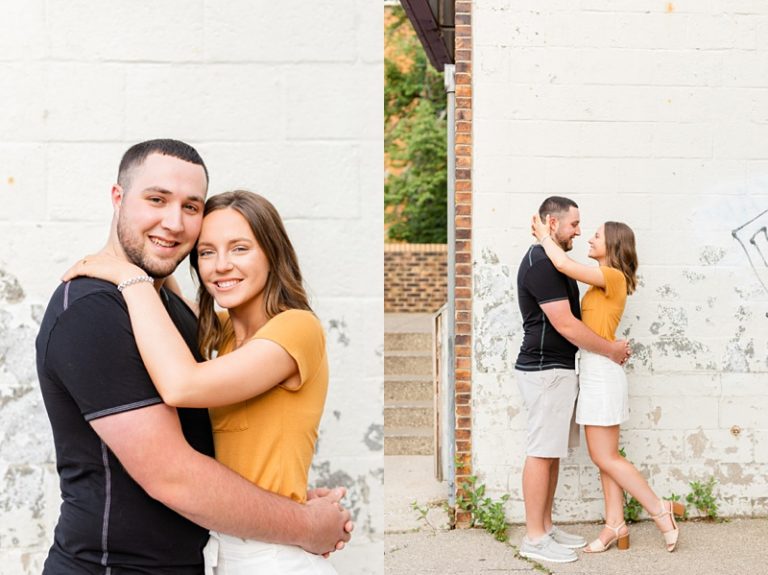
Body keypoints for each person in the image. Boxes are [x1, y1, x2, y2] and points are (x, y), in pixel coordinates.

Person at [36, 139, 350, 574]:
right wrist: (302, 522)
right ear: (118, 197)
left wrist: (287, 501)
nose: (173, 222)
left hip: (241, 557)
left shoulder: (193, 317)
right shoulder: (97, 308)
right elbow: (174, 469)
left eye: (190, 207)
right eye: (157, 199)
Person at [532, 209, 684, 554]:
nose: (588, 238)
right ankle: (614, 524)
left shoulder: (611, 275)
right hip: (595, 369)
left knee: (606, 457)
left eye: (597, 236)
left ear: (612, 245)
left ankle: (661, 511)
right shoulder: (607, 278)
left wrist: (544, 235)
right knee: (606, 456)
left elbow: (564, 267)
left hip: (601, 372)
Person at [514, 196, 631, 564]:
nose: (579, 232)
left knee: (551, 454)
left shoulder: (555, 262)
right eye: (574, 225)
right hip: (545, 369)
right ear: (552, 224)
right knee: (540, 453)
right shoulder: (542, 264)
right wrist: (611, 350)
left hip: (559, 370)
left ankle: (546, 528)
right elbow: (566, 324)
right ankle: (534, 537)